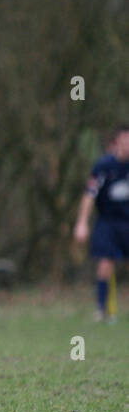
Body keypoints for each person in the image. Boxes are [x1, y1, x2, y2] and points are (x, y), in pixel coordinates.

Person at [73, 125, 129, 322]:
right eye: (124, 141)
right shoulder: (103, 166)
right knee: (105, 263)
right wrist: (82, 223)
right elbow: (89, 195)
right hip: (107, 221)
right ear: (116, 142)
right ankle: (101, 309)